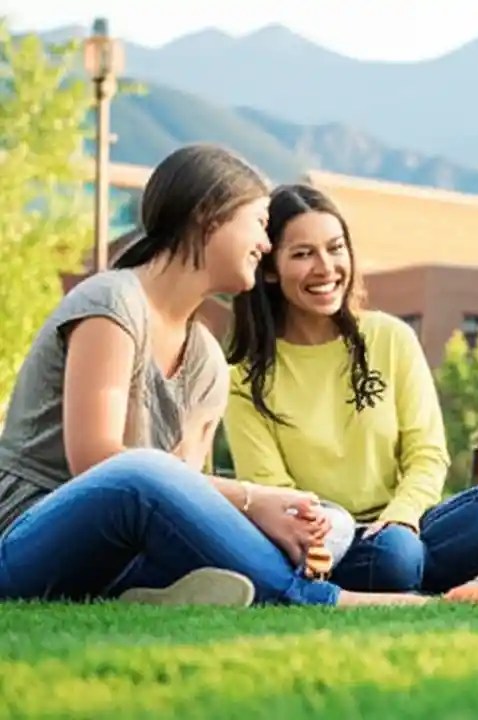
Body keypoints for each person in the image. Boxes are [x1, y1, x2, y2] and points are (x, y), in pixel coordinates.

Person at [0, 145, 429, 608]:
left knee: (332, 519)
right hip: (28, 534)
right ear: (209, 217)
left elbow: (187, 488)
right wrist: (251, 498)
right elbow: (95, 460)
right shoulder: (113, 303)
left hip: (124, 552)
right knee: (140, 471)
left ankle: (151, 592)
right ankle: (311, 597)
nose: (265, 245)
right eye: (261, 224)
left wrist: (280, 512)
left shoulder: (205, 356)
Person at [222, 184, 478, 600]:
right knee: (394, 558)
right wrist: (345, 531)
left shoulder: (390, 337)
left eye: (335, 248)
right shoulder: (244, 373)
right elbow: (273, 488)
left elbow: (427, 453)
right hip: (324, 539)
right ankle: (425, 584)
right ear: (271, 268)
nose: (325, 267)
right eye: (302, 254)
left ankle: (400, 584)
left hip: (402, 521)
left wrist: (401, 517)